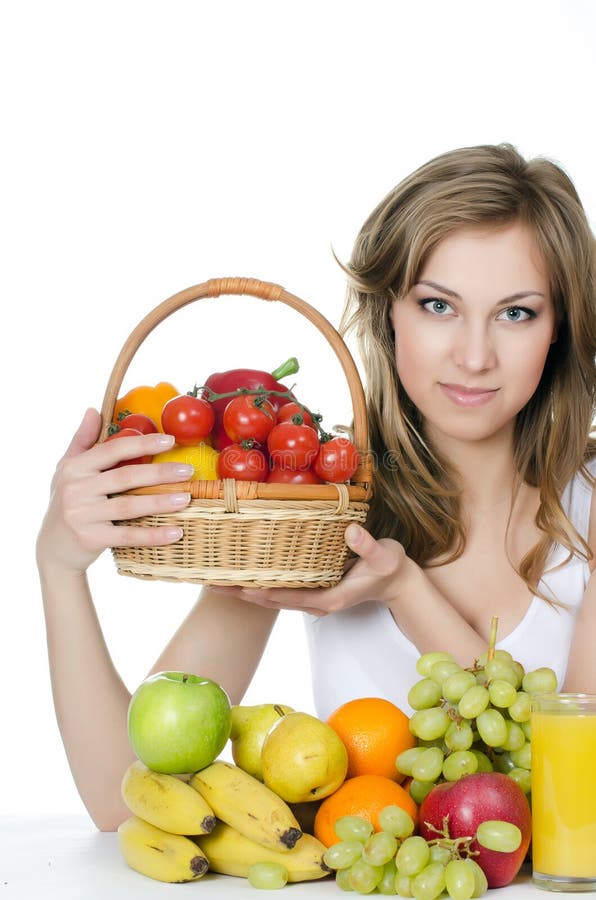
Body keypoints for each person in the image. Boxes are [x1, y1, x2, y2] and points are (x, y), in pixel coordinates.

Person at [37, 143, 596, 831]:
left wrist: (406, 591)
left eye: (516, 313)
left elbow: (575, 798)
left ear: (559, 328)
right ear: (389, 313)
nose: (475, 356)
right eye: (438, 305)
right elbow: (120, 796)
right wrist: (58, 568)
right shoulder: (312, 508)